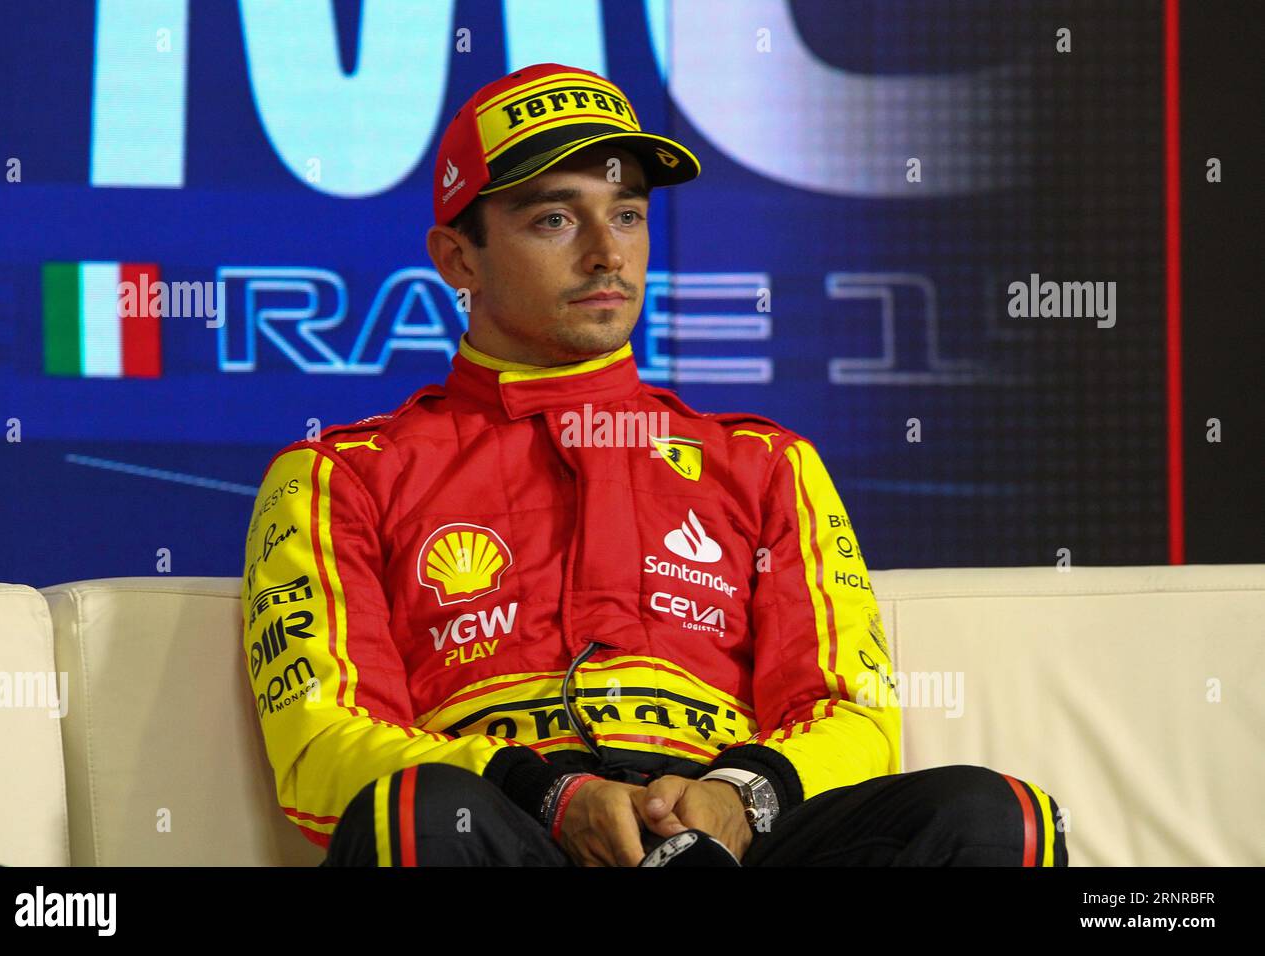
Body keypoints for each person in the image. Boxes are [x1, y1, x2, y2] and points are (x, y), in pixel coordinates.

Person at [240, 62, 1068, 867]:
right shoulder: (338, 476)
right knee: (415, 817)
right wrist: (552, 795)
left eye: (627, 214)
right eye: (556, 220)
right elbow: (321, 747)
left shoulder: (764, 464)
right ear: (459, 260)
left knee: (997, 819)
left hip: (734, 834)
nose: (608, 253)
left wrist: (737, 798)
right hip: (513, 827)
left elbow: (855, 712)